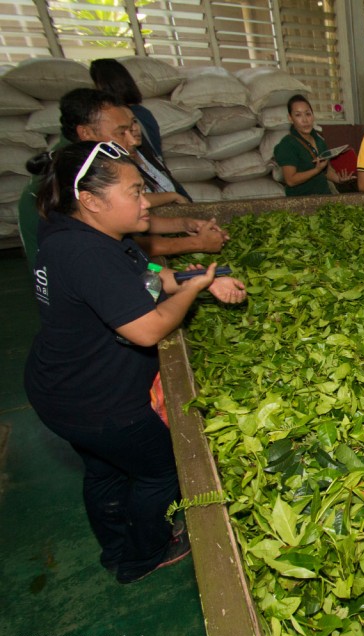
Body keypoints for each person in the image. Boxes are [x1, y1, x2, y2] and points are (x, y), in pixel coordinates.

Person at [23, 140, 247, 584]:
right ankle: (144, 554)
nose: (146, 202)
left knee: (105, 470)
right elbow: (147, 328)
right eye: (135, 192)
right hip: (98, 403)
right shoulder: (87, 254)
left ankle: (115, 544)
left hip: (61, 388)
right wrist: (190, 292)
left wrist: (204, 279)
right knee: (162, 469)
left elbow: (153, 277)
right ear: (89, 200)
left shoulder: (81, 235)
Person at [18, 89, 228, 269]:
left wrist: (183, 223)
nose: (131, 140)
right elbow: (125, 246)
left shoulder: (89, 163)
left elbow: (127, 217)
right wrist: (196, 245)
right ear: (86, 133)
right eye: (120, 133)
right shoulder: (73, 178)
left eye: (131, 128)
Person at [90, 58, 192, 205]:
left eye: (133, 123)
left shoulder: (138, 120)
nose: (132, 133)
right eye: (122, 131)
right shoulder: (141, 114)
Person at [273, 94, 350, 197]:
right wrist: (316, 170)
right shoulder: (288, 144)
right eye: (298, 115)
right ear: (290, 118)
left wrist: (339, 179)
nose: (305, 120)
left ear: (313, 115)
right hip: (302, 203)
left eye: (308, 114)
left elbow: (326, 171)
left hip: (325, 198)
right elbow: (290, 180)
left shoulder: (319, 140)